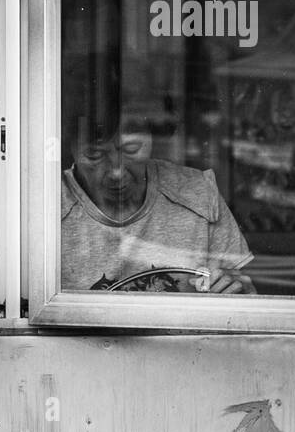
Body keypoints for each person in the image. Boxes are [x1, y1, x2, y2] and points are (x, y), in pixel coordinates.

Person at [61, 108, 256, 294]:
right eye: (95, 155)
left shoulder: (198, 194)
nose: (116, 171)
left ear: (152, 139)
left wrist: (238, 292)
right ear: (71, 148)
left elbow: (245, 302)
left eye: (132, 148)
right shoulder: (48, 206)